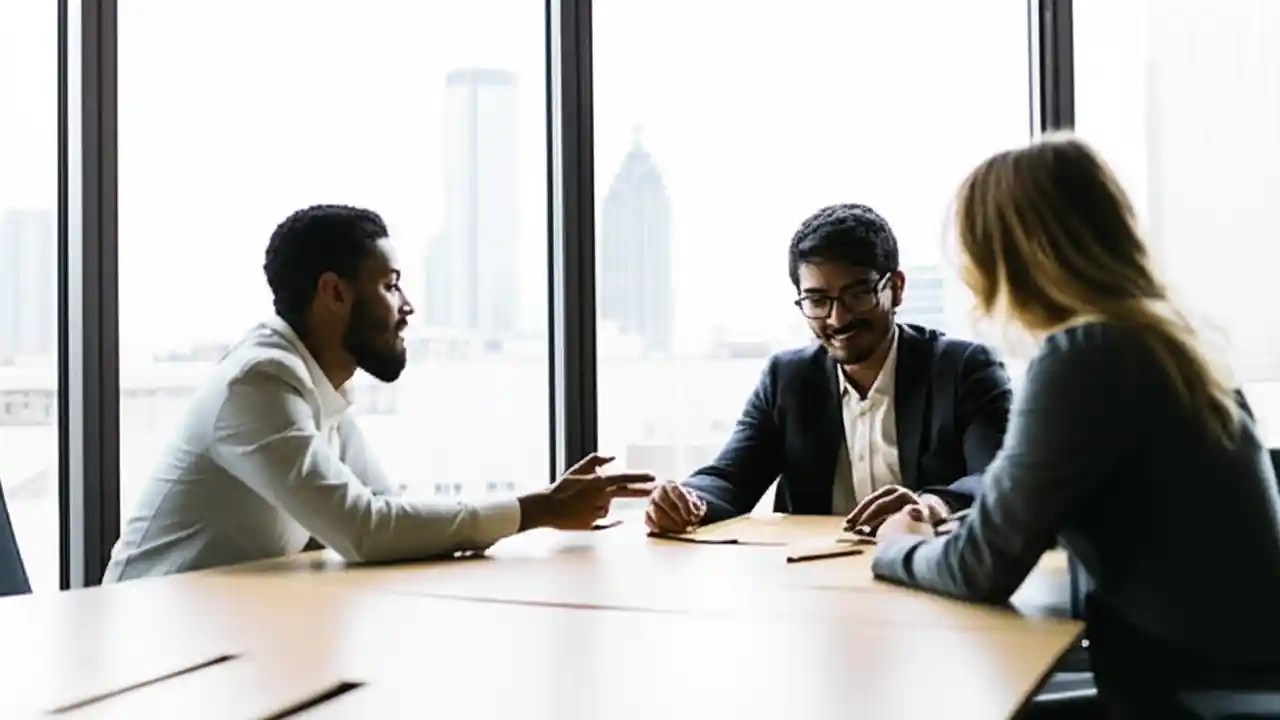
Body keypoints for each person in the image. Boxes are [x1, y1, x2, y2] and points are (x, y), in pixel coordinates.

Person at [871, 135, 1280, 713]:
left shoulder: (1085, 355)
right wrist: (960, 521)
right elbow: (1044, 505)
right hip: (1231, 667)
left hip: (1188, 687)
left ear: (1009, 254)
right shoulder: (1163, 343)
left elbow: (979, 569)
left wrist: (897, 547)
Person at [106, 205, 651, 582]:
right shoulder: (259, 382)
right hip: (147, 644)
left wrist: (538, 507)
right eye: (390, 285)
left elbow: (388, 514)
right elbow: (364, 530)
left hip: (228, 631)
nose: (407, 306)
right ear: (334, 292)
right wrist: (537, 509)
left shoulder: (318, 388)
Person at [644, 203, 1012, 535]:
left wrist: (933, 505)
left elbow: (998, 479)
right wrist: (688, 501)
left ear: (896, 289)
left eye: (857, 294)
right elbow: (731, 477)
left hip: (931, 575)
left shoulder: (964, 369)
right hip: (816, 581)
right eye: (817, 300)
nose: (837, 318)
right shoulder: (787, 378)